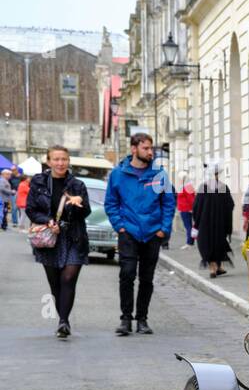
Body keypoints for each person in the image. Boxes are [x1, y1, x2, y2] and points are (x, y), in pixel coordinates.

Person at [105, 132, 174, 336]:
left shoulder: (159, 174)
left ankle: (142, 319)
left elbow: (169, 202)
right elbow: (111, 203)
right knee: (126, 274)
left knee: (147, 278)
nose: (150, 152)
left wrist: (164, 229)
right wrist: (120, 226)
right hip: (129, 233)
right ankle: (126, 319)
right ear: (134, 149)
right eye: (145, 148)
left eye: (151, 148)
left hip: (153, 233)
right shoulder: (118, 174)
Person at [26, 145, 91, 338]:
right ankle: (63, 318)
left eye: (64, 159)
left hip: (74, 237)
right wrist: (48, 221)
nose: (60, 163)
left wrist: (78, 203)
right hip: (49, 238)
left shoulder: (77, 185)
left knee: (68, 278)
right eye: (56, 159)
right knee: (55, 283)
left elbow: (85, 211)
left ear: (68, 161)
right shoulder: (38, 182)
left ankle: (63, 322)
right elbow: (31, 209)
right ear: (48, 161)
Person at [193, 169, 234, 278]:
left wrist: (197, 222)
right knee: (218, 243)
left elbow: (196, 206)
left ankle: (213, 268)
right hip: (220, 224)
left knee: (206, 244)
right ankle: (217, 267)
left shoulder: (203, 188)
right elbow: (230, 205)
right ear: (217, 175)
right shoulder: (223, 187)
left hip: (205, 223)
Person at [176, 175, 196, 248]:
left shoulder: (187, 186)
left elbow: (191, 199)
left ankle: (189, 243)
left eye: (180, 178)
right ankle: (190, 242)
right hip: (184, 209)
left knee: (188, 226)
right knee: (188, 226)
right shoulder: (185, 186)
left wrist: (192, 208)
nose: (179, 180)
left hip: (186, 209)